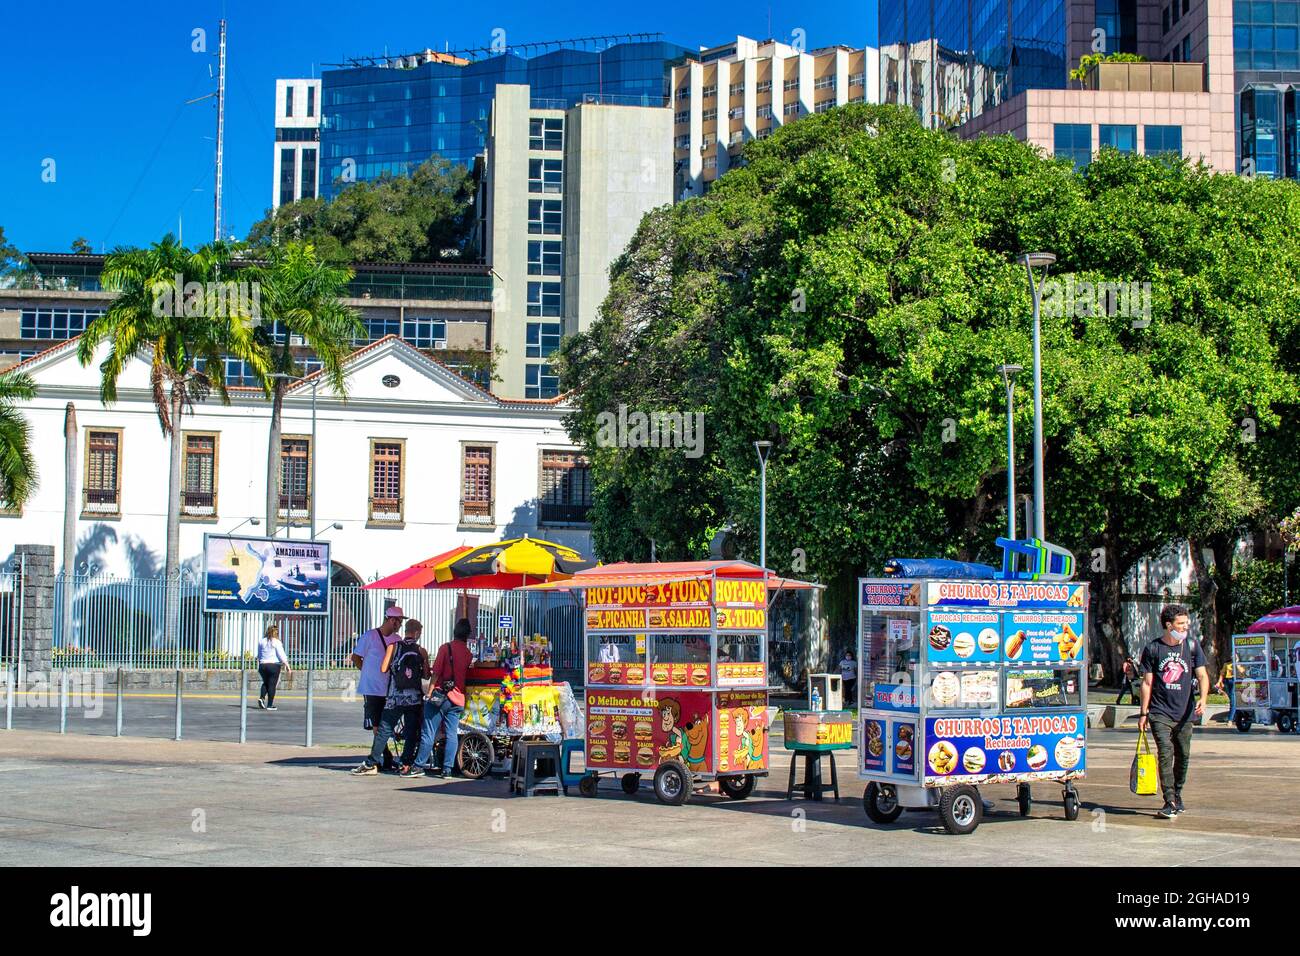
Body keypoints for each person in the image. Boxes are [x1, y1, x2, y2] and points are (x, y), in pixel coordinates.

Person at [1138, 604, 1209, 819]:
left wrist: (1204, 700)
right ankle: (1169, 800)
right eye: (1181, 624)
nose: (1185, 627)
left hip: (1186, 712)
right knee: (1165, 754)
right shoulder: (1153, 649)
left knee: (1183, 755)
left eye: (1186, 623)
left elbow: (1203, 676)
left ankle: (1178, 793)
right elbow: (1147, 683)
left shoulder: (1192, 646)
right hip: (1160, 712)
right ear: (1169, 626)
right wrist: (1143, 713)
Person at [354, 619, 431, 778]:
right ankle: (406, 764)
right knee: (411, 731)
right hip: (414, 698)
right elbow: (426, 675)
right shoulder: (421, 650)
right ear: (416, 633)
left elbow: (383, 669)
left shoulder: (393, 646)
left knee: (384, 729)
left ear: (406, 631)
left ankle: (371, 762)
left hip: (395, 697)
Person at [413, 617, 473, 778]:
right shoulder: (468, 654)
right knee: (452, 733)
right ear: (467, 635)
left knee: (429, 731)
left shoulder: (445, 648)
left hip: (441, 696)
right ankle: (447, 769)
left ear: (454, 631)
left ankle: (418, 765)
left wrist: (429, 692)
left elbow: (436, 673)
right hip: (458, 698)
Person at [349, 606, 404, 773]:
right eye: (398, 621)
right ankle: (382, 756)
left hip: (389, 687)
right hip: (372, 688)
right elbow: (356, 657)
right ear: (390, 620)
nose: (400, 624)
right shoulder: (370, 636)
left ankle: (382, 756)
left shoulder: (397, 639)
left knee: (385, 724)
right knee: (376, 724)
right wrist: (366, 671)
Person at [256, 623, 291, 711]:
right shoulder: (276, 642)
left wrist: (260, 662)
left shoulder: (262, 641)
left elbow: (259, 655)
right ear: (276, 633)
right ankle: (270, 705)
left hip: (262, 665)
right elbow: (281, 655)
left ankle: (262, 697)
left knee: (266, 682)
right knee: (272, 685)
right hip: (273, 666)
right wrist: (287, 665)